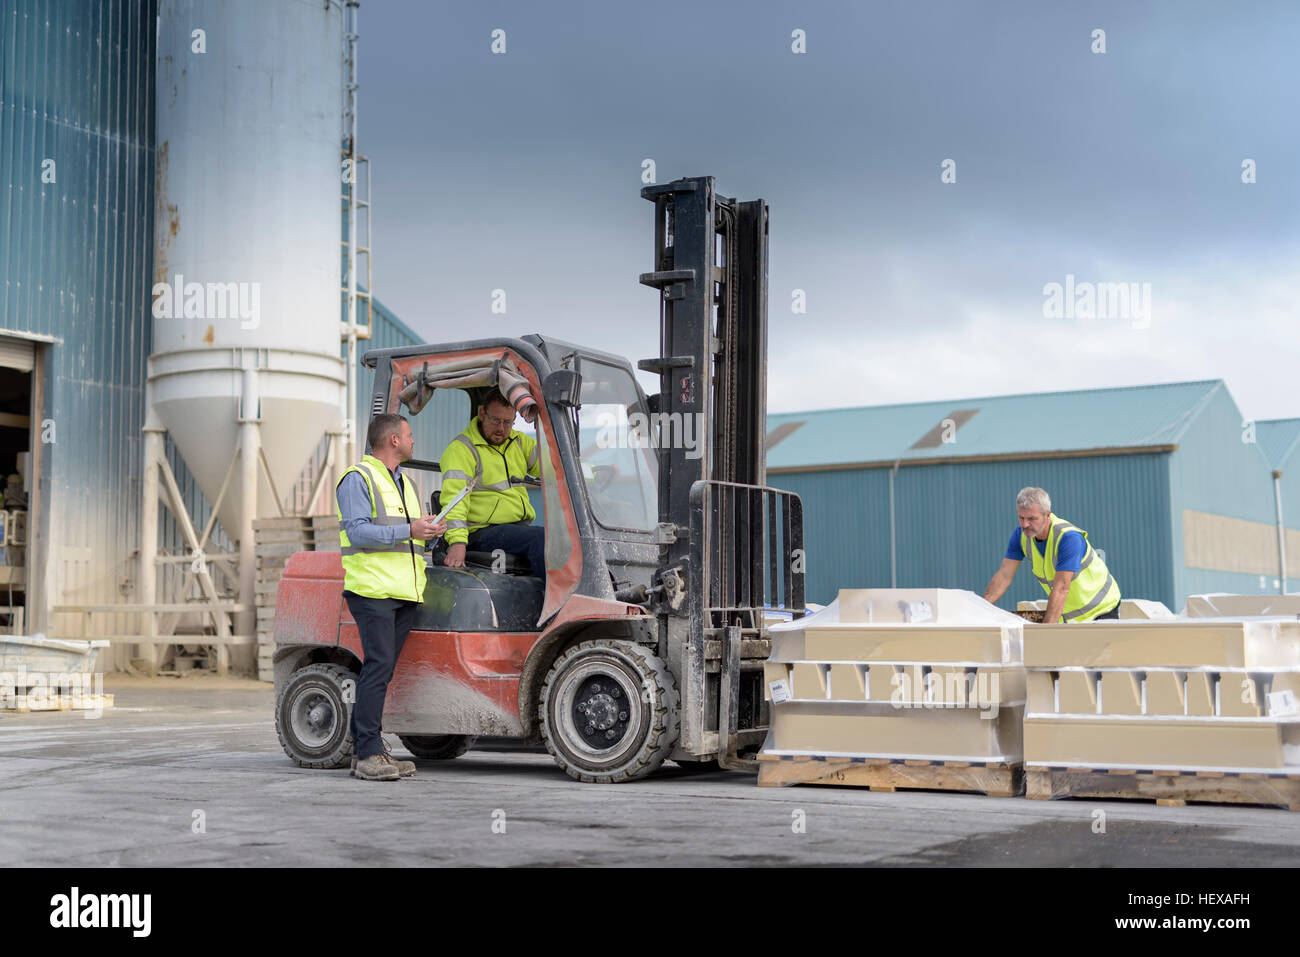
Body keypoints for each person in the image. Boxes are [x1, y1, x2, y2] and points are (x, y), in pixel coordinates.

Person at [336, 413, 446, 781]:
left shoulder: (405, 483)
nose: (415, 440)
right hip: (373, 590)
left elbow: (405, 535)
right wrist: (410, 528)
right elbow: (358, 533)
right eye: (410, 435)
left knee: (381, 671)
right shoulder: (358, 479)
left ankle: (366, 750)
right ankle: (368, 753)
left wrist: (427, 531)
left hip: (403, 591)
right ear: (393, 441)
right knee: (377, 668)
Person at [438, 388, 545, 583]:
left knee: (563, 541)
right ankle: (561, 604)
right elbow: (454, 501)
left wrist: (592, 475)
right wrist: (458, 542)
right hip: (482, 531)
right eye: (496, 421)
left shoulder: (519, 442)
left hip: (516, 527)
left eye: (508, 423)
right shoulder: (462, 450)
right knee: (540, 539)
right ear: (482, 414)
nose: (501, 429)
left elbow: (554, 468)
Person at [983, 486, 1121, 623]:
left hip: (1101, 610)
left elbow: (1061, 588)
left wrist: (1046, 633)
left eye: (1032, 518)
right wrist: (979, 610)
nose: (1025, 524)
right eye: (1021, 518)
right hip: (1070, 616)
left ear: (1047, 515)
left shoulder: (1068, 538)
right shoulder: (1021, 536)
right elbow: (1004, 575)